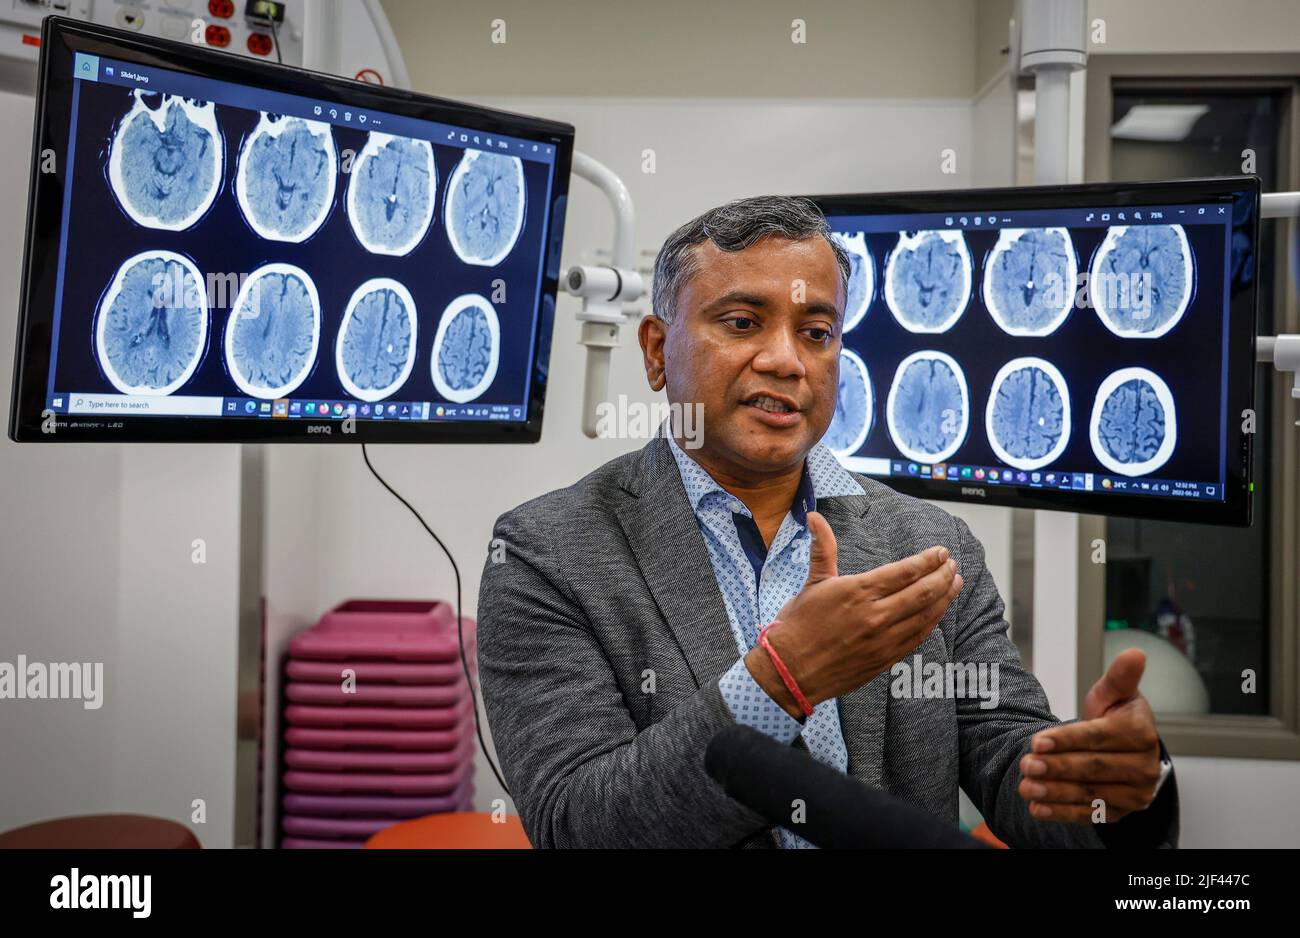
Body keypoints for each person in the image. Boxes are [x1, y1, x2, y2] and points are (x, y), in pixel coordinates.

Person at [476, 194, 1177, 848]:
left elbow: (1007, 758)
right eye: (743, 322)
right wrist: (782, 681)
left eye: (816, 332)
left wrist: (1102, 788)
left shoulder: (926, 547)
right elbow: (578, 822)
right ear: (658, 351)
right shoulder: (548, 553)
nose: (786, 360)